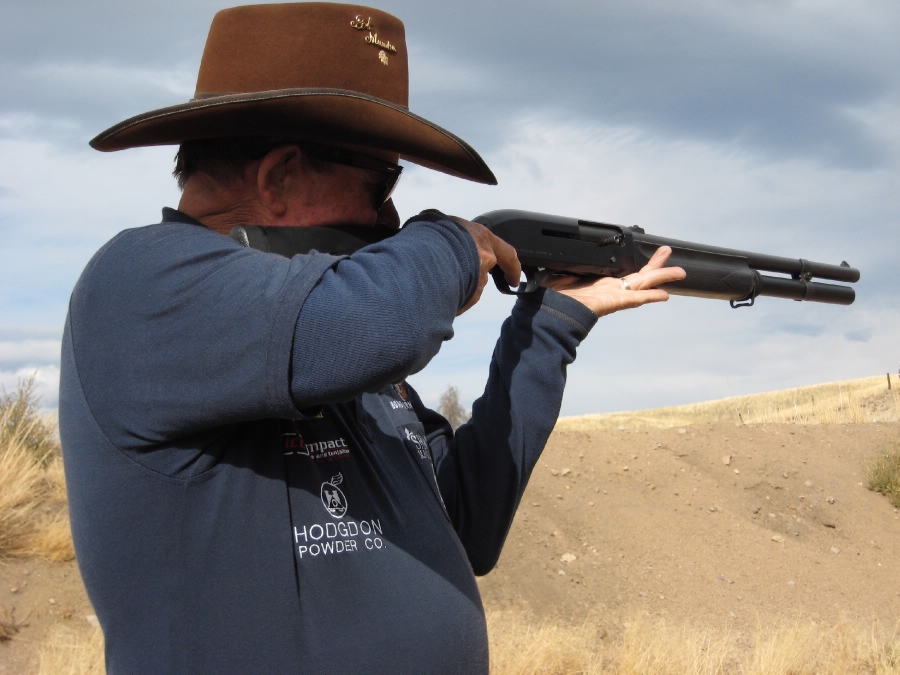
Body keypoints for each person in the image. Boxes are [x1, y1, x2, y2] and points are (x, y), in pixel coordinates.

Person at [59, 4, 685, 674]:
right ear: (278, 179)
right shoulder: (141, 283)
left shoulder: (330, 347)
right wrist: (449, 237)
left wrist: (551, 323)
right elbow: (380, 319)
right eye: (381, 186)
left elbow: (468, 518)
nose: (391, 218)